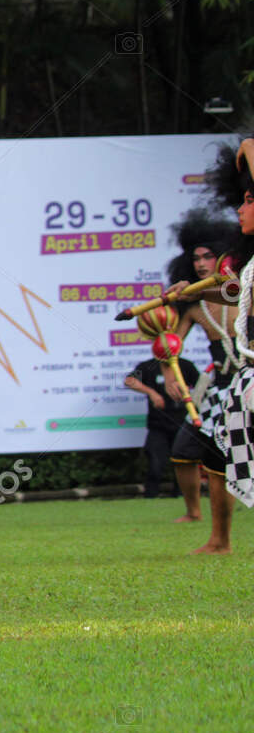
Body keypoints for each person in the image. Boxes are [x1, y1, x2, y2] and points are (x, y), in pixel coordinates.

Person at [177, 136, 254, 553]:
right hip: (244, 379)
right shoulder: (250, 264)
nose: (239, 210)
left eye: (246, 201)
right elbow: (234, 295)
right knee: (219, 452)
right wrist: (191, 294)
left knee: (223, 449)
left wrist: (247, 144)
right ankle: (220, 540)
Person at [160, 210, 238, 523]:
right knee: (186, 449)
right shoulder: (194, 305)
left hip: (247, 378)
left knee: (233, 452)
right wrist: (169, 373)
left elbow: (235, 292)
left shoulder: (243, 287)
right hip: (219, 385)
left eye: (208, 256)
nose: (202, 263)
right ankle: (194, 512)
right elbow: (169, 346)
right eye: (196, 258)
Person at [124, 355, 198, 500]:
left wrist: (187, 394)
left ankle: (181, 496)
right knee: (155, 464)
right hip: (158, 425)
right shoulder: (148, 366)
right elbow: (129, 381)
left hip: (182, 424)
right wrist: (151, 393)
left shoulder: (185, 365)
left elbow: (201, 386)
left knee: (183, 462)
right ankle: (150, 497)